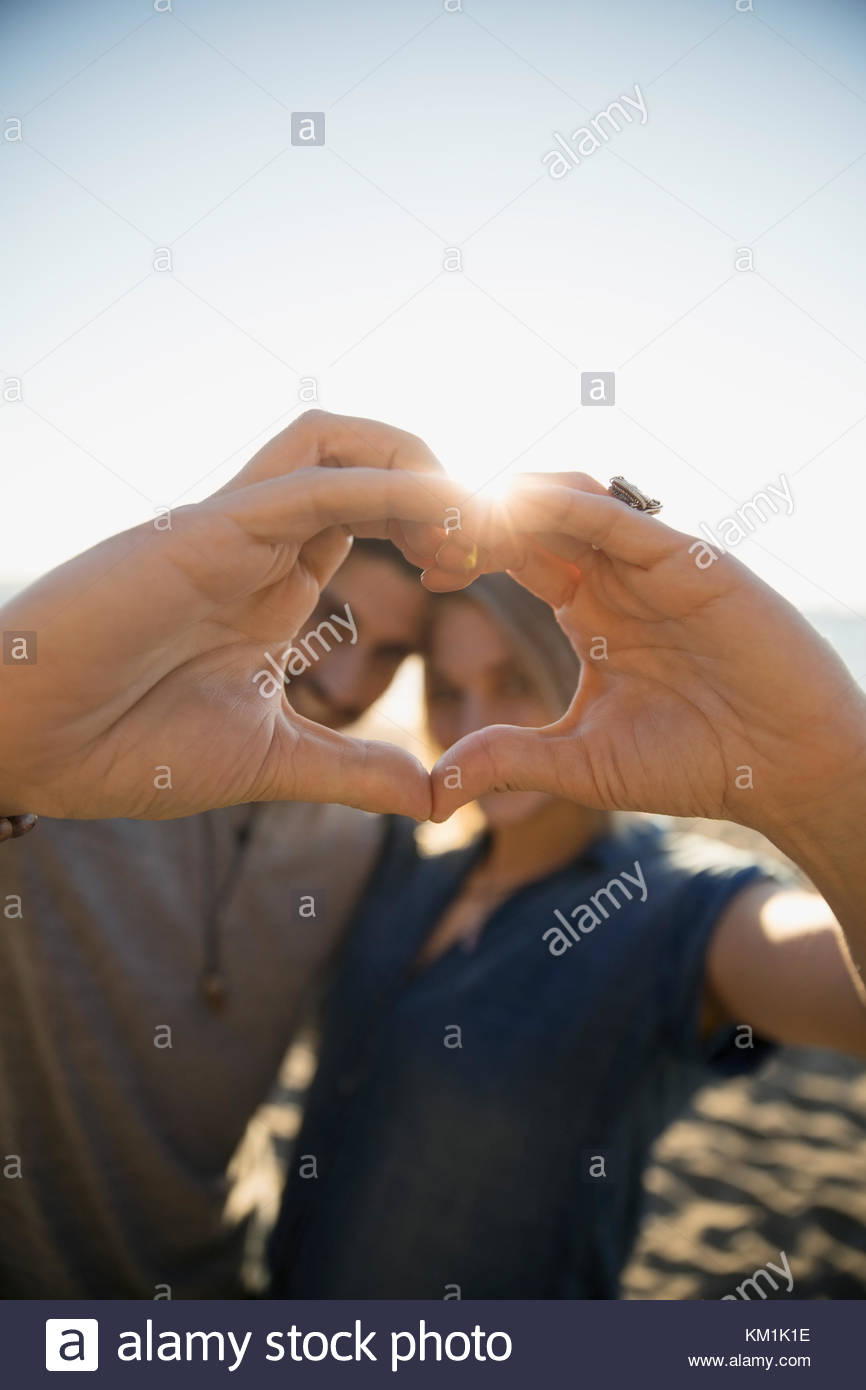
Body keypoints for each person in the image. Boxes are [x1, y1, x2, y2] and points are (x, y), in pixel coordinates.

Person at [269, 565, 866, 1298]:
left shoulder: (677, 906)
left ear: (583, 680)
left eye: (514, 680)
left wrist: (826, 790)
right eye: (449, 693)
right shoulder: (403, 874)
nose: (477, 726)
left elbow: (833, 980)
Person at [0, 408, 464, 1297]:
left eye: (392, 654)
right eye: (328, 622)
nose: (342, 676)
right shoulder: (72, 775)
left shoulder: (369, 839)